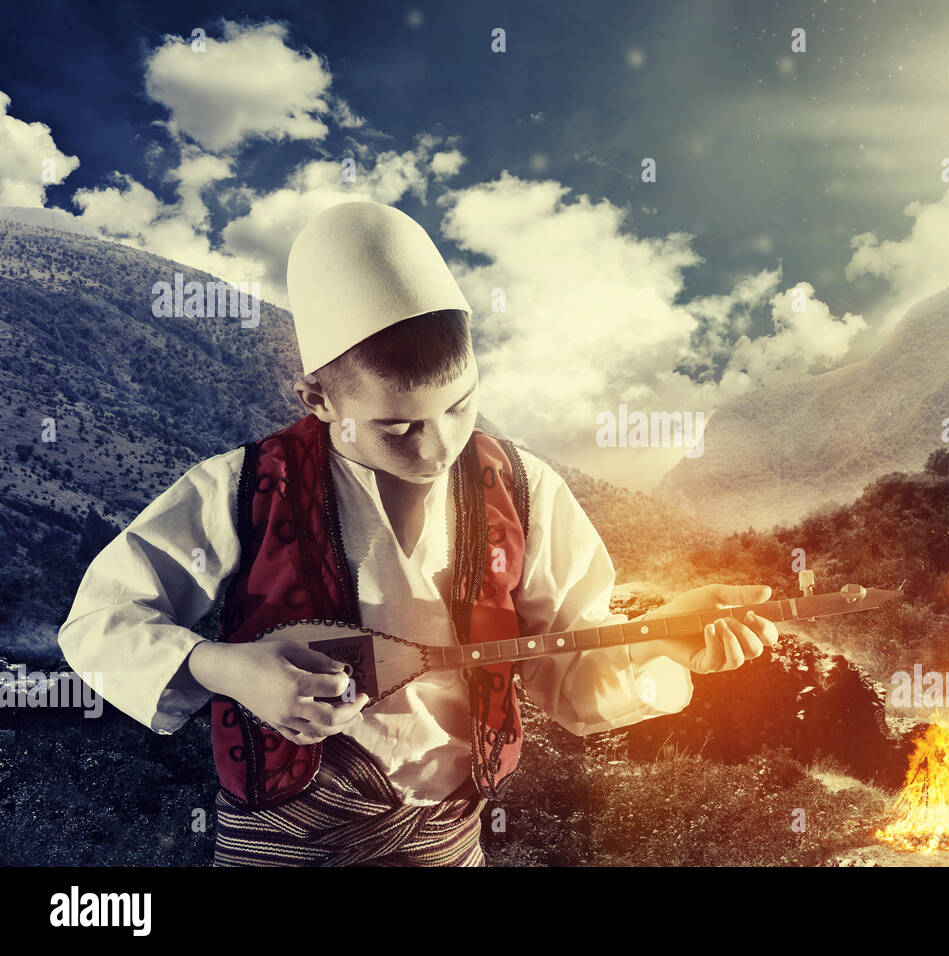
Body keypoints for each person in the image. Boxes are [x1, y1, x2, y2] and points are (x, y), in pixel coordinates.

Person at [57, 200, 779, 866]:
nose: (438, 451)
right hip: (281, 834)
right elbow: (100, 623)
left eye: (461, 408)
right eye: (398, 428)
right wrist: (230, 670)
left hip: (448, 834)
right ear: (317, 399)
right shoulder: (242, 487)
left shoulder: (525, 489)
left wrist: (661, 640)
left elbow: (568, 677)